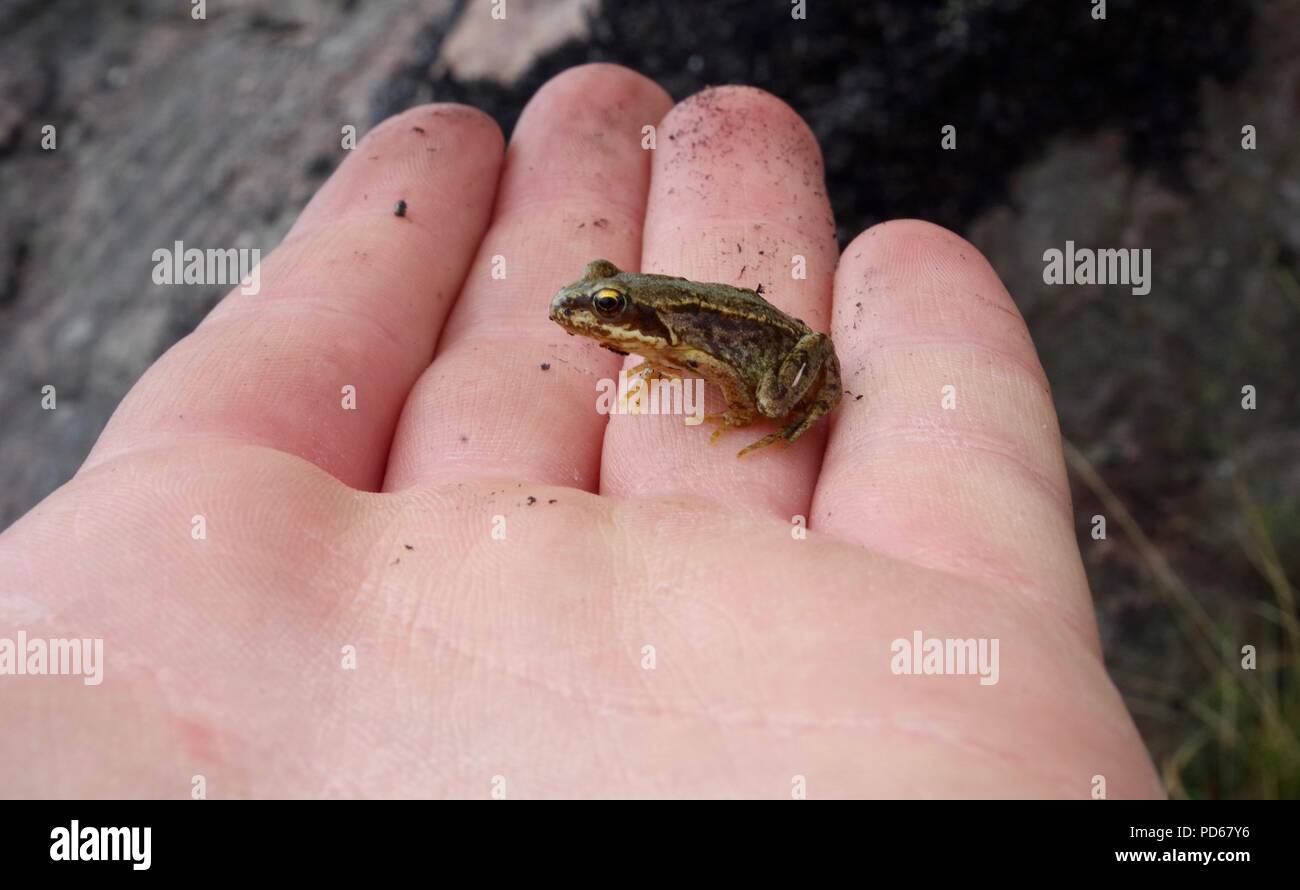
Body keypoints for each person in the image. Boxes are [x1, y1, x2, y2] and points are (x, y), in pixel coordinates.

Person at [0, 64, 1161, 798]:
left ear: (630, 313)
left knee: (758, 393)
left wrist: (750, 405)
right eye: (598, 303)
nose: (587, 317)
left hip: (760, 347)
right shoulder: (639, 330)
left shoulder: (671, 337)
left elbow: (723, 352)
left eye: (603, 308)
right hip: (719, 325)